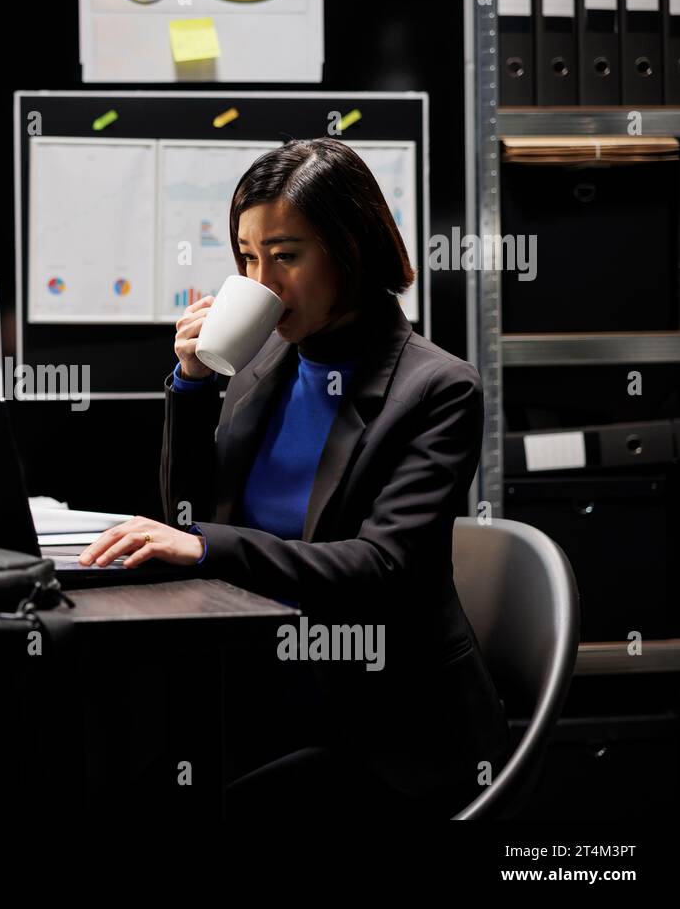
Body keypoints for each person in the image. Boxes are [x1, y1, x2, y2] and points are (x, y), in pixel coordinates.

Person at [77, 137, 511, 818]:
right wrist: (191, 387)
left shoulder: (438, 388)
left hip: (383, 724)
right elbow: (190, 511)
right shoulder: (263, 364)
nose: (263, 282)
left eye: (285, 255)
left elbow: (381, 566)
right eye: (248, 258)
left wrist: (207, 546)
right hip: (266, 684)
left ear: (350, 250)